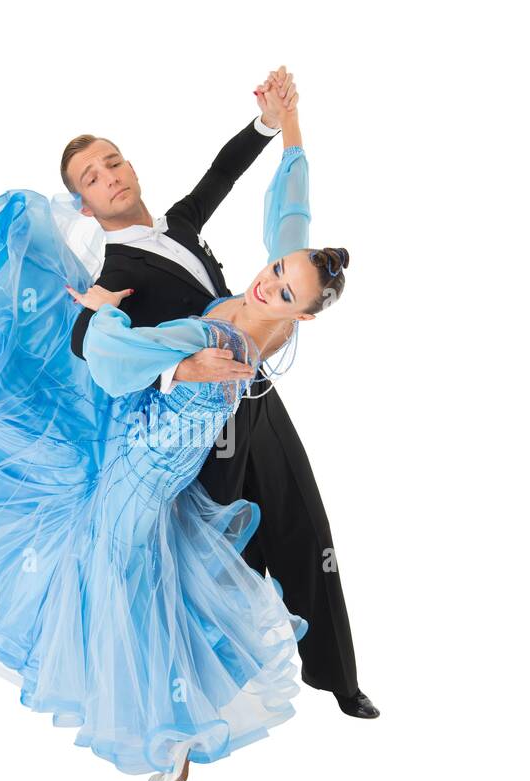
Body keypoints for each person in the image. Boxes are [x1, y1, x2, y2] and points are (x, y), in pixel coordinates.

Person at [0, 77, 350, 781]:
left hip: (161, 457)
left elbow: (122, 354)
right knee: (145, 587)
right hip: (139, 445)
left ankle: (180, 727)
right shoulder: (234, 309)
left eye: (284, 288)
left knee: (152, 585)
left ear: (303, 313)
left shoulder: (214, 317)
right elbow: (281, 215)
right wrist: (286, 127)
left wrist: (109, 317)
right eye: (273, 270)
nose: (268, 281)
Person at [61, 67, 378, 719]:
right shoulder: (115, 268)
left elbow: (224, 173)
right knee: (221, 553)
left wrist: (274, 121)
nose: (110, 176)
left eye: (113, 161)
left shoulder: (179, 224)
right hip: (204, 419)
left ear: (132, 167)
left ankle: (338, 679)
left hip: (255, 392)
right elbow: (84, 341)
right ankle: (208, 698)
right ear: (86, 206)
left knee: (305, 524)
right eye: (92, 177)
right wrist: (177, 373)